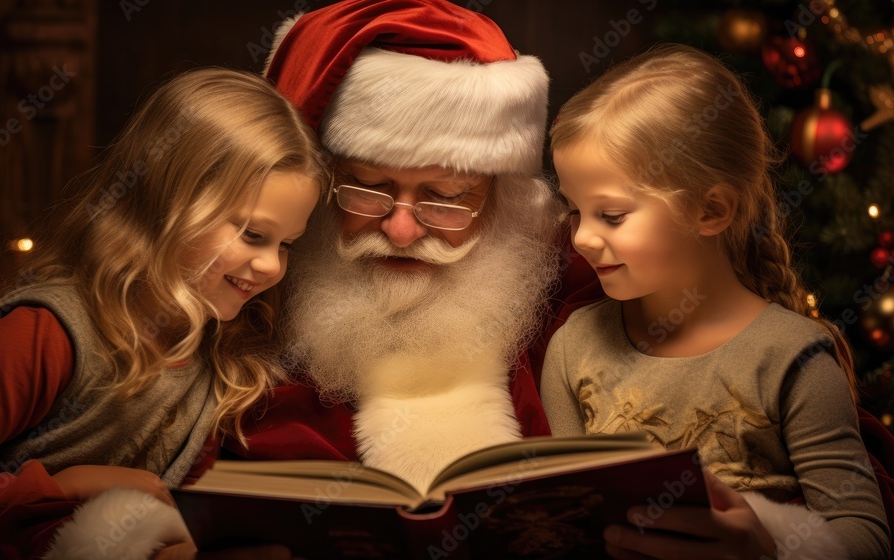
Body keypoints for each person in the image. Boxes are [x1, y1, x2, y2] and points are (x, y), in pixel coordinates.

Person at [0, 68, 326, 559]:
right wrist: (61, 487)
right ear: (169, 205)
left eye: (287, 244)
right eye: (253, 235)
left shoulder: (214, 356)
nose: (271, 265)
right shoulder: (44, 331)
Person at [212, 0, 604, 493]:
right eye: (367, 187)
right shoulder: (234, 312)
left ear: (504, 206)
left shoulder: (577, 301)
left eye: (446, 197)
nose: (400, 232)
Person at [541, 44, 890, 560]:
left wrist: (767, 547)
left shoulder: (792, 357)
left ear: (710, 211)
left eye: (611, 216)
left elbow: (866, 536)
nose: (582, 239)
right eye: (575, 211)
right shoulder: (573, 350)